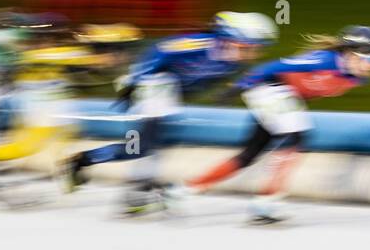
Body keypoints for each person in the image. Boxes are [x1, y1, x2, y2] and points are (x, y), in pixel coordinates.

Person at [60, 11, 278, 214]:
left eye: (258, 49)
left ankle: (134, 187)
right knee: (142, 147)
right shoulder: (203, 43)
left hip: (167, 91)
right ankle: (91, 167)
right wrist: (135, 82)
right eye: (250, 46)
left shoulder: (233, 59)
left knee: (146, 145)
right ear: (232, 37)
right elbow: (159, 50)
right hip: (154, 84)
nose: (253, 53)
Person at [185, 25, 370, 223]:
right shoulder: (325, 60)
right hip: (270, 88)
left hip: (283, 98)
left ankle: (184, 190)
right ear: (352, 52)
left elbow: (308, 90)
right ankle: (266, 201)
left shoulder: (357, 78)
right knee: (296, 135)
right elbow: (273, 67)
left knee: (250, 153)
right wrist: (237, 87)